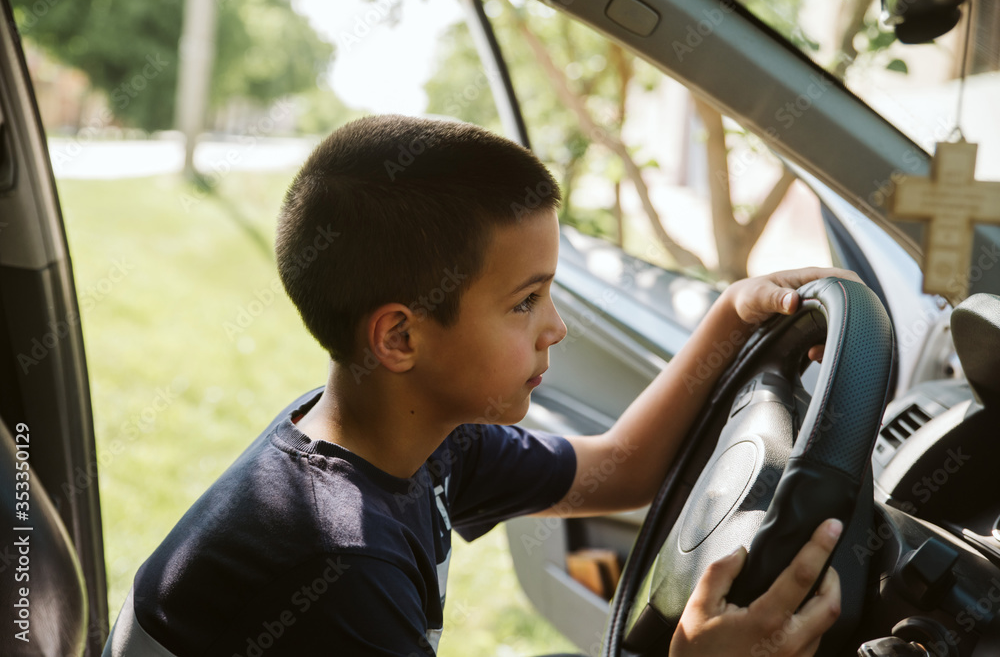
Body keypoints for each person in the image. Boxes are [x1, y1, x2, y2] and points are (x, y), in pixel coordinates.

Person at [104, 114, 851, 657]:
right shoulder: (337, 560)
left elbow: (622, 469)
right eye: (524, 302)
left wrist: (732, 315)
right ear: (400, 338)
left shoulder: (424, 440)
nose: (554, 327)